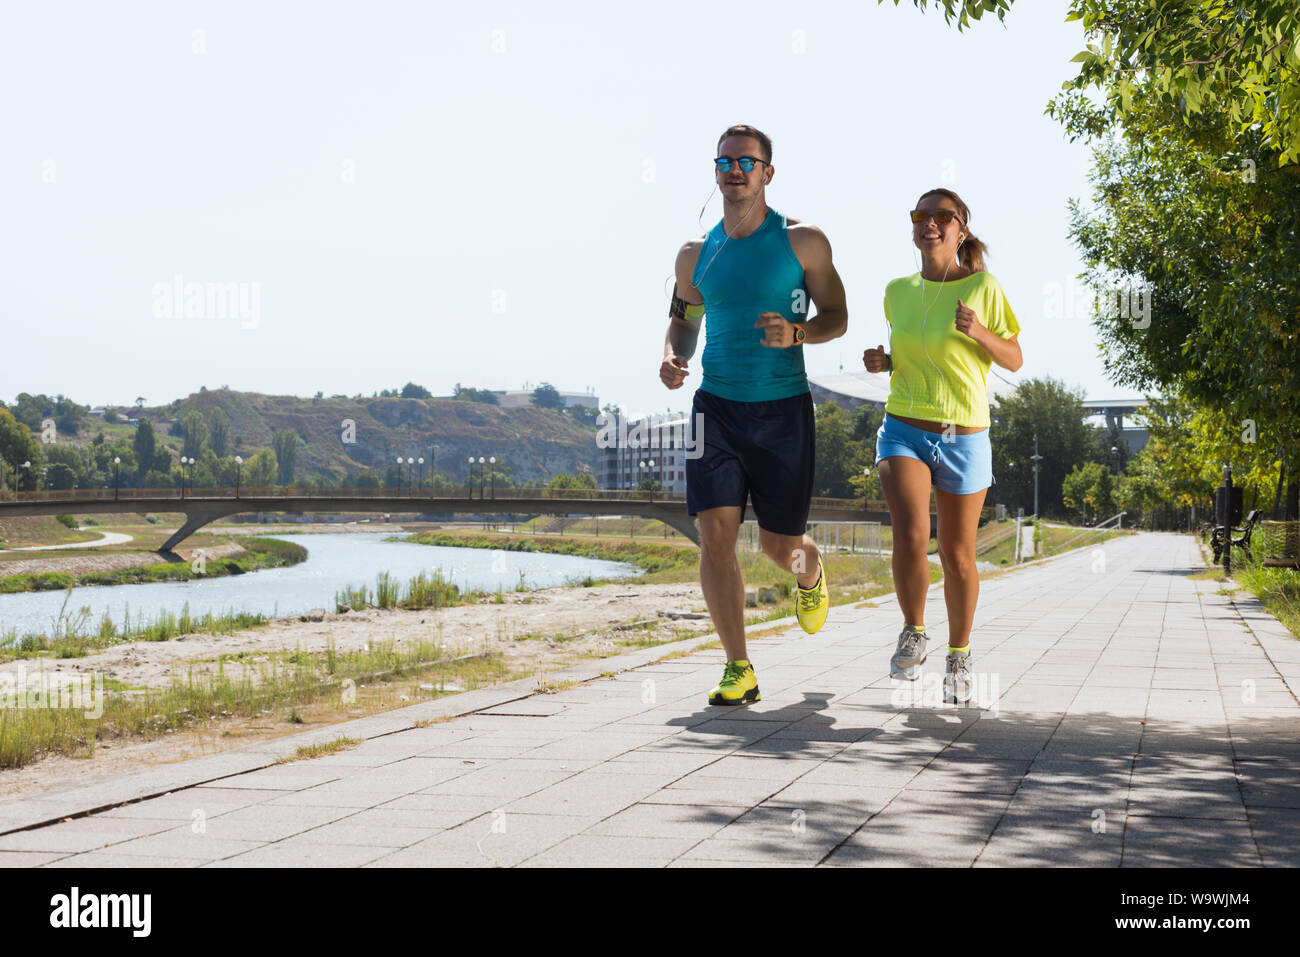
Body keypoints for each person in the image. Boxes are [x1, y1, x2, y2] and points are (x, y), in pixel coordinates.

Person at [661, 124, 848, 706]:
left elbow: (837, 316)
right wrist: (672, 356)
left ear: (768, 172)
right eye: (724, 160)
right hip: (714, 407)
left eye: (746, 160)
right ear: (715, 172)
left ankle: (809, 569)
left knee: (778, 546)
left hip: (782, 410)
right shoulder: (695, 254)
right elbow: (682, 322)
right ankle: (738, 667)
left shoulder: (803, 241)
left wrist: (798, 331)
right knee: (713, 534)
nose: (734, 169)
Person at [863, 188, 1022, 704]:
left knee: (958, 555)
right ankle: (914, 630)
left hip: (964, 434)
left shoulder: (984, 287)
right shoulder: (897, 290)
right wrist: (884, 362)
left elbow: (1014, 358)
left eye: (941, 217)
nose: (929, 224)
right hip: (904, 426)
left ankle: (960, 653)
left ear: (961, 230)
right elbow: (917, 354)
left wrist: (979, 332)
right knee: (910, 535)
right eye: (920, 216)